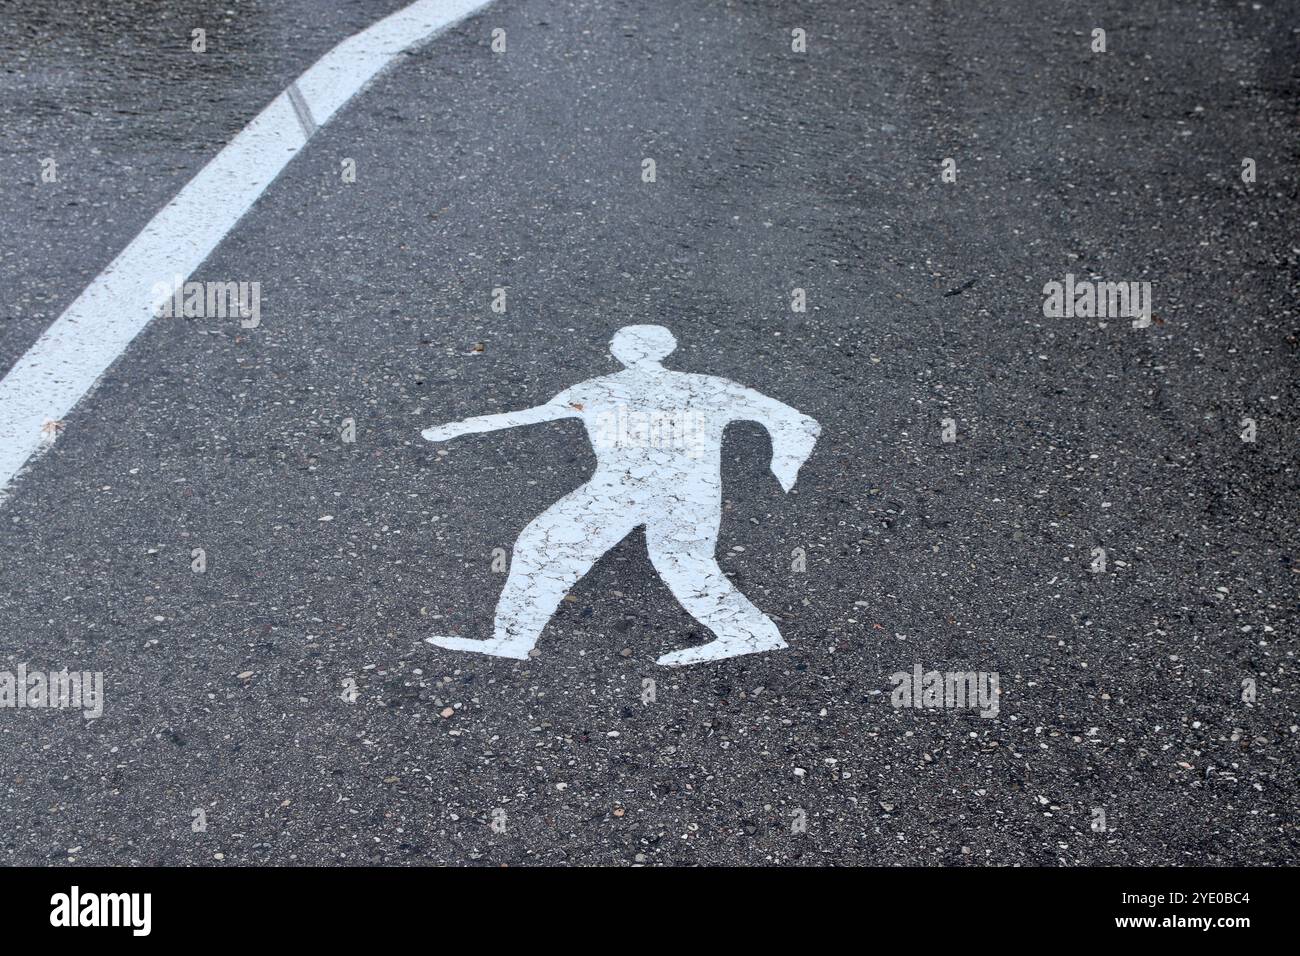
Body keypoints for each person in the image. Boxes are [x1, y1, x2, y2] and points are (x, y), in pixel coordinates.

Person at [421, 325, 820, 666]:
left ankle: (513, 639)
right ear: (668, 349)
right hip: (686, 491)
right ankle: (748, 633)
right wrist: (784, 465)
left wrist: (457, 428)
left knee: (546, 545)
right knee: (683, 561)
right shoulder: (708, 388)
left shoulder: (600, 389)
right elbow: (798, 421)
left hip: (620, 490)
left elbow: (529, 415)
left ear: (617, 351)